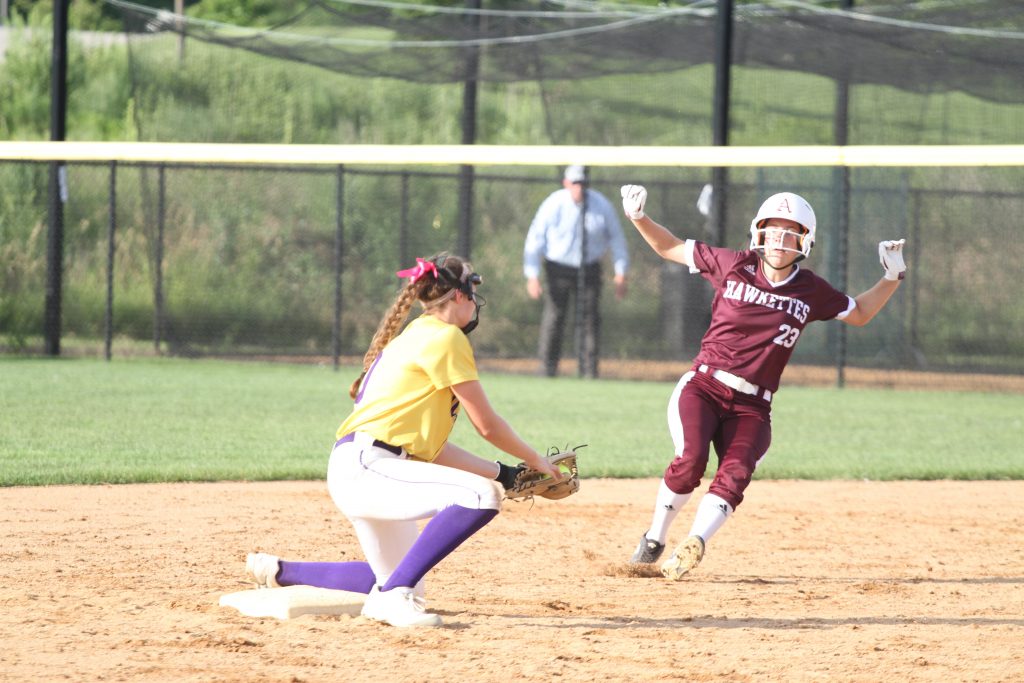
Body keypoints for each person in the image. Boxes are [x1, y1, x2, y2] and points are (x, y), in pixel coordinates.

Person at [245, 253, 561, 627]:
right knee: (480, 496)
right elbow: (487, 424)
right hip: (371, 467)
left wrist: (506, 473)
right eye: (472, 288)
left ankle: (280, 571)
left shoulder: (419, 333)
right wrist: (537, 461)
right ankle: (392, 599)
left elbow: (433, 449)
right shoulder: (446, 338)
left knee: (403, 577)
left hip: (365, 466)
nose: (475, 300)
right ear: (457, 295)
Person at [619, 184, 907, 579]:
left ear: (805, 242)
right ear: (758, 232)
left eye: (790, 233)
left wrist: (892, 276)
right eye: (772, 230)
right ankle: (655, 537)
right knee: (691, 462)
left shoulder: (811, 291)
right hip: (704, 386)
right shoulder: (733, 264)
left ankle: (695, 542)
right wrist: (639, 217)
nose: (779, 240)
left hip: (753, 405)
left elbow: (858, 314)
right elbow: (669, 247)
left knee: (736, 472)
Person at [523, 164, 630, 378]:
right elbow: (535, 240)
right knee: (554, 318)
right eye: (574, 183)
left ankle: (589, 372)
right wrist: (532, 275)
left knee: (590, 320)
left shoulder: (601, 205)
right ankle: (547, 370)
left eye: (582, 183)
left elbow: (617, 238)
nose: (579, 188)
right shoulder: (553, 204)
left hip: (589, 268)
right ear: (566, 183)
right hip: (558, 269)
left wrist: (621, 273)